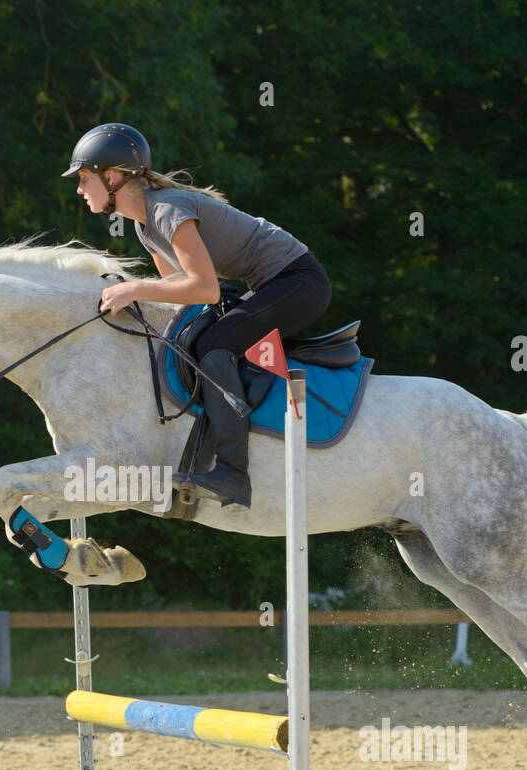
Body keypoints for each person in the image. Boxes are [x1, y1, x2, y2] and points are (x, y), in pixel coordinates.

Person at [62, 122, 332, 509]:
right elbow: (177, 289)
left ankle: (234, 473)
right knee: (198, 338)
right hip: (273, 282)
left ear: (112, 177)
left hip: (299, 282)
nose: (79, 189)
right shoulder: (145, 226)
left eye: (83, 179)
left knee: (215, 341)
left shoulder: (168, 210)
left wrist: (133, 288)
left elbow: (202, 288)